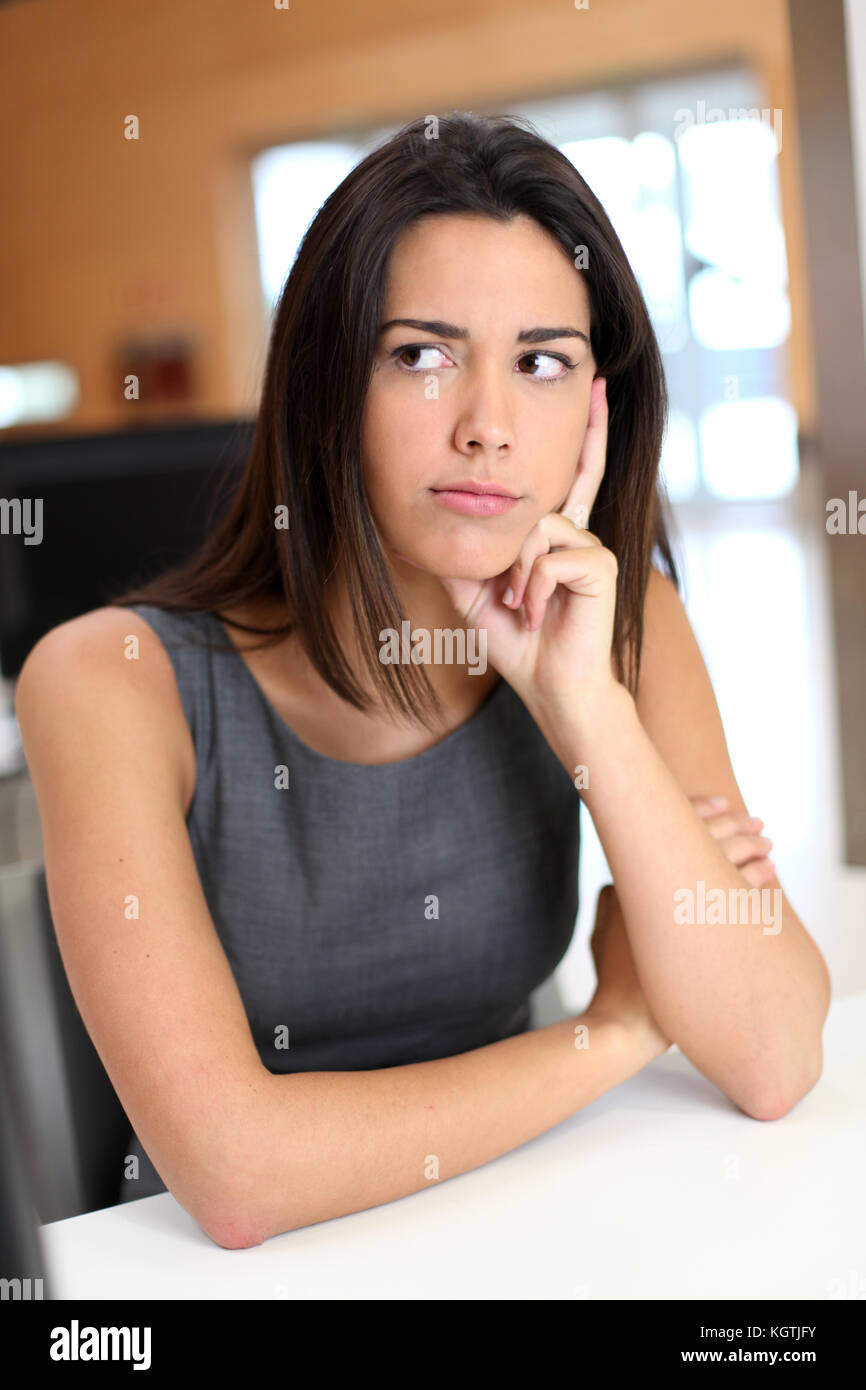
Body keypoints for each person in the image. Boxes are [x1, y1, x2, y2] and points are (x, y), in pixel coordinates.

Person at [15, 112, 830, 1250]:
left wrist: (581, 702)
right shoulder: (107, 680)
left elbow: (775, 1049)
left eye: (541, 362)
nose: (487, 427)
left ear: (596, 410)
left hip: (517, 1215)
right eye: (421, 355)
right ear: (323, 387)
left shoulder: (619, 621)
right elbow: (238, 1178)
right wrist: (617, 1029)